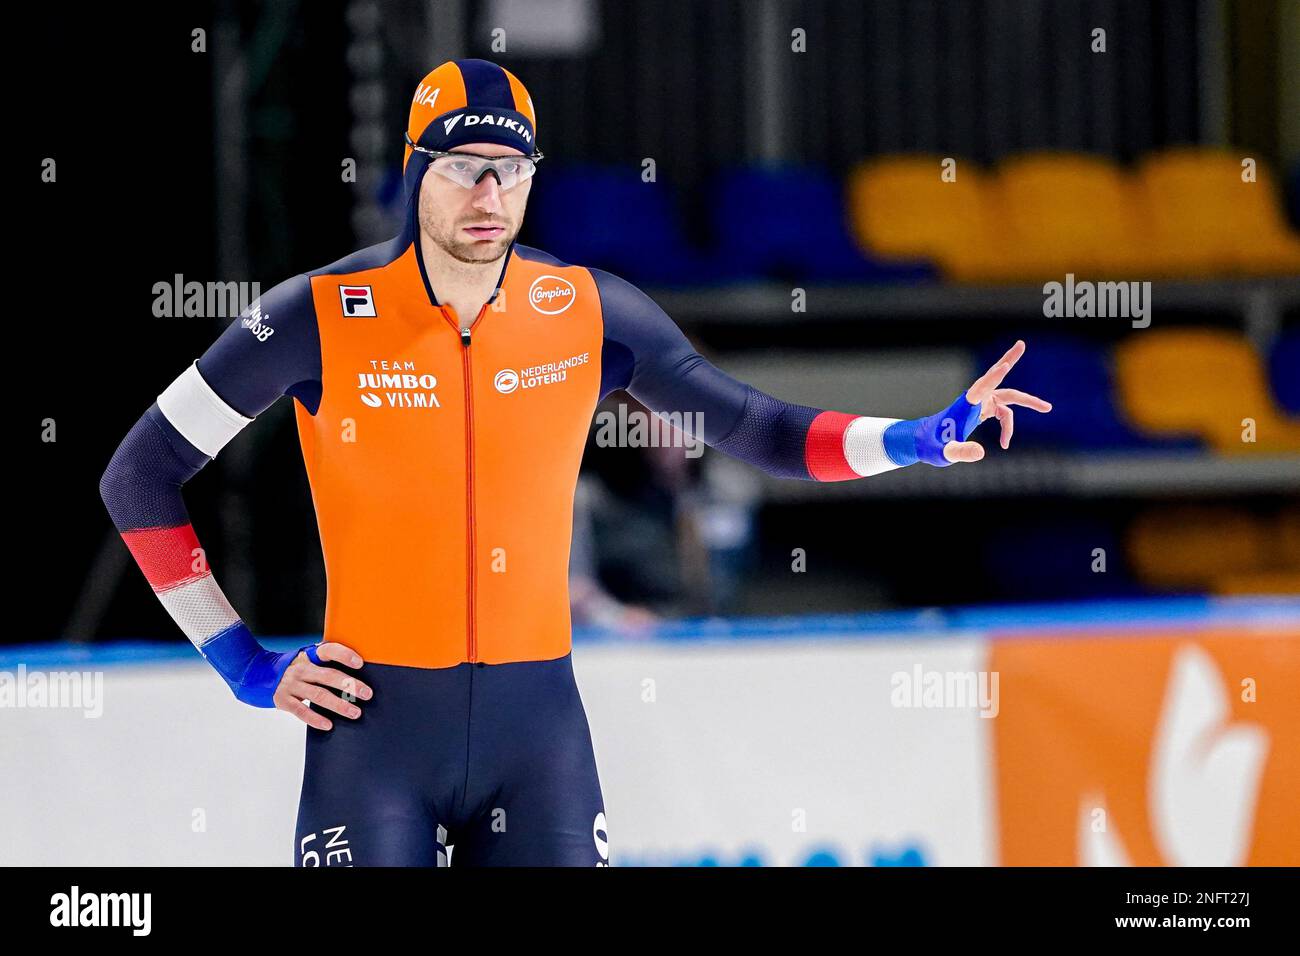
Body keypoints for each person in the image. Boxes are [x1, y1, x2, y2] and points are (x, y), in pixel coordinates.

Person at [99, 58, 1051, 866]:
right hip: (374, 732)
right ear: (414, 170)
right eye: (466, 168)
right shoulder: (310, 314)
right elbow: (138, 476)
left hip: (537, 731)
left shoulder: (589, 310)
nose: (490, 195)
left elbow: (760, 429)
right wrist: (241, 663)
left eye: (512, 171)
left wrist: (916, 438)